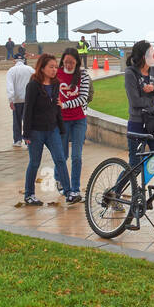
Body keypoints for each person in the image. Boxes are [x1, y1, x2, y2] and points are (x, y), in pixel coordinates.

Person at [22, 53, 75, 206]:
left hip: (52, 130)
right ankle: (29, 194)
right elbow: (28, 109)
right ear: (42, 68)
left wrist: (61, 127)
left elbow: (57, 107)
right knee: (34, 162)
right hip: (36, 131)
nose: (54, 70)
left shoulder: (56, 84)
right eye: (51, 67)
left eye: (55, 67)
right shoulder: (33, 85)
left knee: (60, 159)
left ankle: (68, 192)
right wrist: (26, 133)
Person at [123, 40, 154, 189]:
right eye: (152, 52)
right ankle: (114, 194)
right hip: (137, 124)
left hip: (153, 123)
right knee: (135, 166)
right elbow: (135, 101)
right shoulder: (130, 73)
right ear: (144, 56)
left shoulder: (153, 71)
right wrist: (151, 101)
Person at [57, 47, 91, 199]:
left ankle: (75, 188)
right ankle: (59, 179)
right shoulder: (57, 74)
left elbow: (83, 97)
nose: (68, 65)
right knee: (62, 155)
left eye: (71, 62)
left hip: (79, 120)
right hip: (62, 120)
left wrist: (65, 105)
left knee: (76, 156)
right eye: (66, 62)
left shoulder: (83, 75)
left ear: (77, 62)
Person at [6, 54, 35, 149]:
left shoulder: (11, 71)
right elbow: (36, 83)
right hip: (28, 99)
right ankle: (28, 141)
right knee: (28, 120)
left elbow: (9, 86)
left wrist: (11, 99)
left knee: (17, 121)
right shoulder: (30, 69)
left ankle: (17, 140)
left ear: (15, 60)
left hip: (17, 100)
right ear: (23, 60)